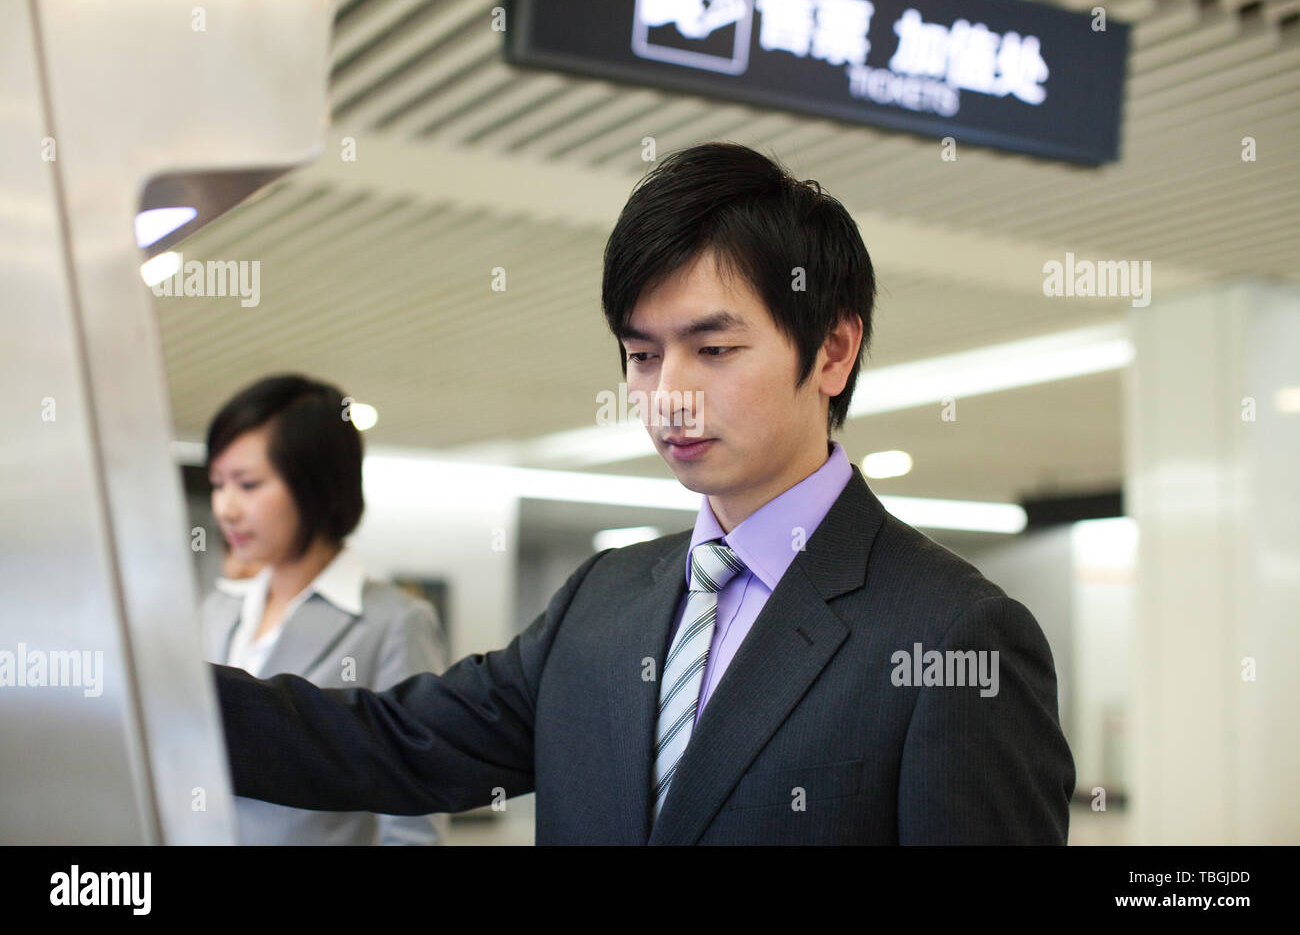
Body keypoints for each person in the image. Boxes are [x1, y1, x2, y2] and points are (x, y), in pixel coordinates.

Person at [210, 143, 1075, 844]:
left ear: (833, 351)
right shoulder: (605, 601)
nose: (669, 396)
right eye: (642, 354)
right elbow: (392, 747)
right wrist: (136, 686)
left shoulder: (956, 636)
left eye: (714, 348)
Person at [202, 373, 449, 845]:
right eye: (217, 484)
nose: (226, 508)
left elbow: (414, 822)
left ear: (316, 486)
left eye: (248, 484)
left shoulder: (394, 623)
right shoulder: (217, 611)